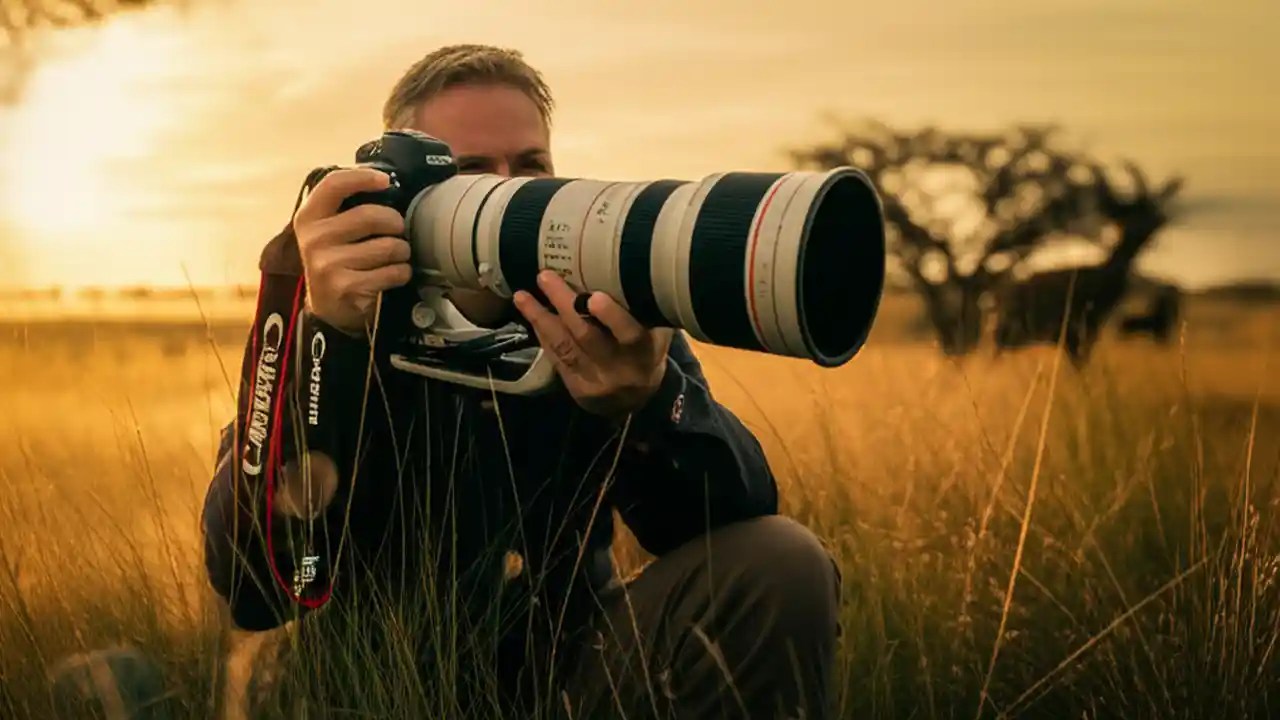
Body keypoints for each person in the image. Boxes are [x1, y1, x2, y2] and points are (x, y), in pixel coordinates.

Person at [201, 43, 841, 719]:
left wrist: (649, 404)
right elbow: (253, 591)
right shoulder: (343, 323)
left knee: (784, 560)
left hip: (570, 673)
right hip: (369, 694)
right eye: (471, 172)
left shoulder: (597, 308)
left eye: (531, 168)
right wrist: (325, 339)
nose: (511, 192)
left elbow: (732, 519)